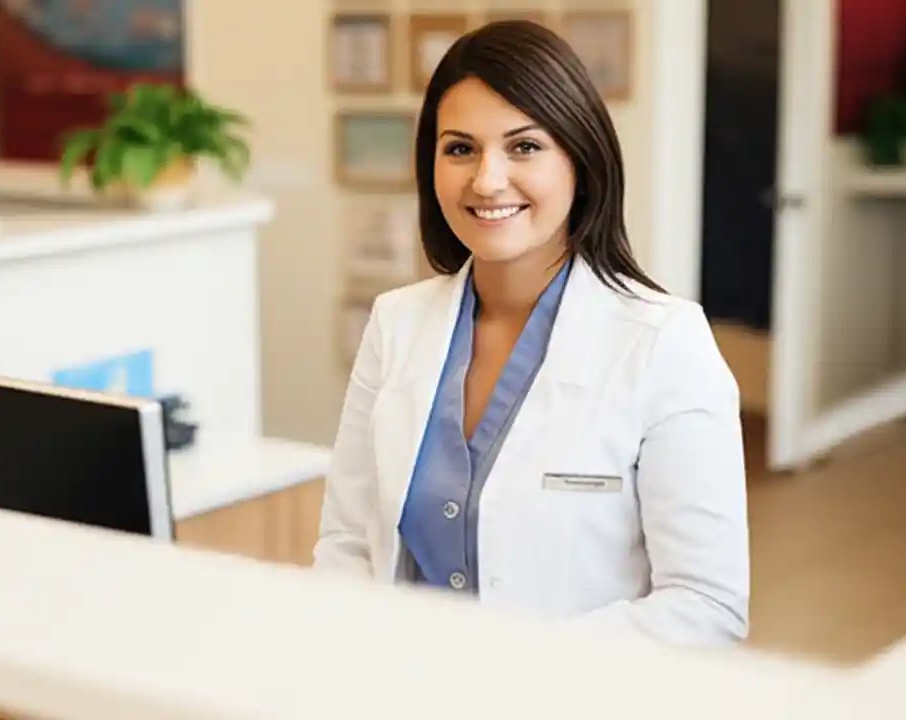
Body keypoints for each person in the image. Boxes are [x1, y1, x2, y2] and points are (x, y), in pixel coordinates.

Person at [312, 20, 749, 648]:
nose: (487, 180)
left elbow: (707, 606)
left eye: (524, 147)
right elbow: (349, 547)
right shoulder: (396, 324)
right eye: (460, 148)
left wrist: (513, 674)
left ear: (580, 157)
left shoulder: (664, 343)